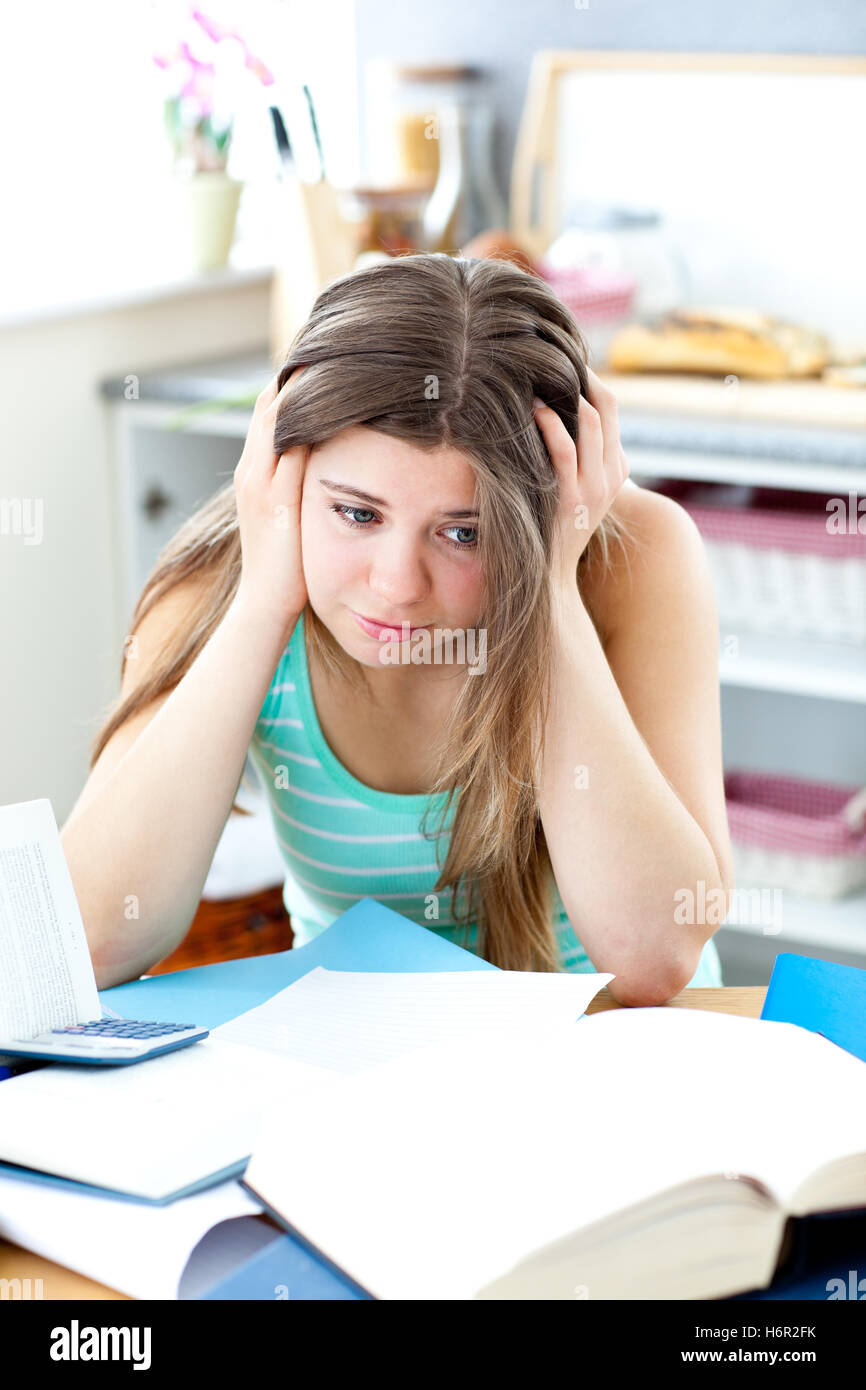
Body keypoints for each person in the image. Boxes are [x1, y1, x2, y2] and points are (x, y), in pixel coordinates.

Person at [62, 253, 732, 998]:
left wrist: (549, 590)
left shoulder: (636, 558)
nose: (396, 586)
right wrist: (261, 606)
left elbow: (656, 957)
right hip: (359, 1059)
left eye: (464, 533)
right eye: (356, 513)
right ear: (279, 469)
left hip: (614, 1051)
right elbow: (90, 941)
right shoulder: (217, 586)